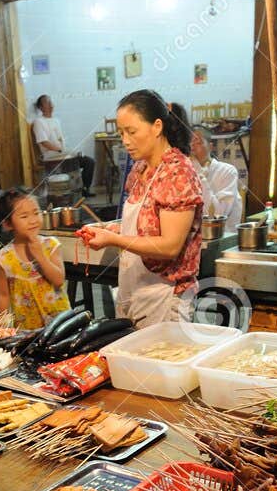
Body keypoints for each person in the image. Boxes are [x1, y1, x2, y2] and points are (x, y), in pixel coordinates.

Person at [81, 92, 202, 328]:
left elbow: (169, 246)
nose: (125, 140)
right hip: (132, 290)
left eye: (132, 131)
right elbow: (141, 227)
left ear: (157, 126)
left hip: (165, 297)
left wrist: (114, 239)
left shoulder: (178, 173)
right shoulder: (139, 170)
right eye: (121, 133)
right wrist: (106, 229)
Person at [0, 189, 67, 330]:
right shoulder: (4, 258)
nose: (33, 220)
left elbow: (59, 280)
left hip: (59, 326)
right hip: (26, 329)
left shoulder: (50, 245)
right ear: (8, 224)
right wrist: (2, 327)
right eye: (24, 216)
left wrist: (39, 255)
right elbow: (3, 296)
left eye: (36, 213)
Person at [29, 95, 95, 195]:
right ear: (41, 107)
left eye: (51, 102)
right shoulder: (39, 122)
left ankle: (85, 189)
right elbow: (43, 142)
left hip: (61, 154)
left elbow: (60, 140)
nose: (51, 105)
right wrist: (60, 150)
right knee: (79, 159)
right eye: (47, 103)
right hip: (51, 157)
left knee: (89, 161)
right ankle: (77, 191)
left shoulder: (55, 120)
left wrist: (64, 151)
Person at [190, 128, 242, 233]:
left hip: (221, 237)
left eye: (198, 142)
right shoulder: (184, 172)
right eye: (189, 142)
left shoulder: (227, 171)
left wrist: (198, 174)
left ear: (211, 146)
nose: (192, 146)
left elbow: (217, 215)